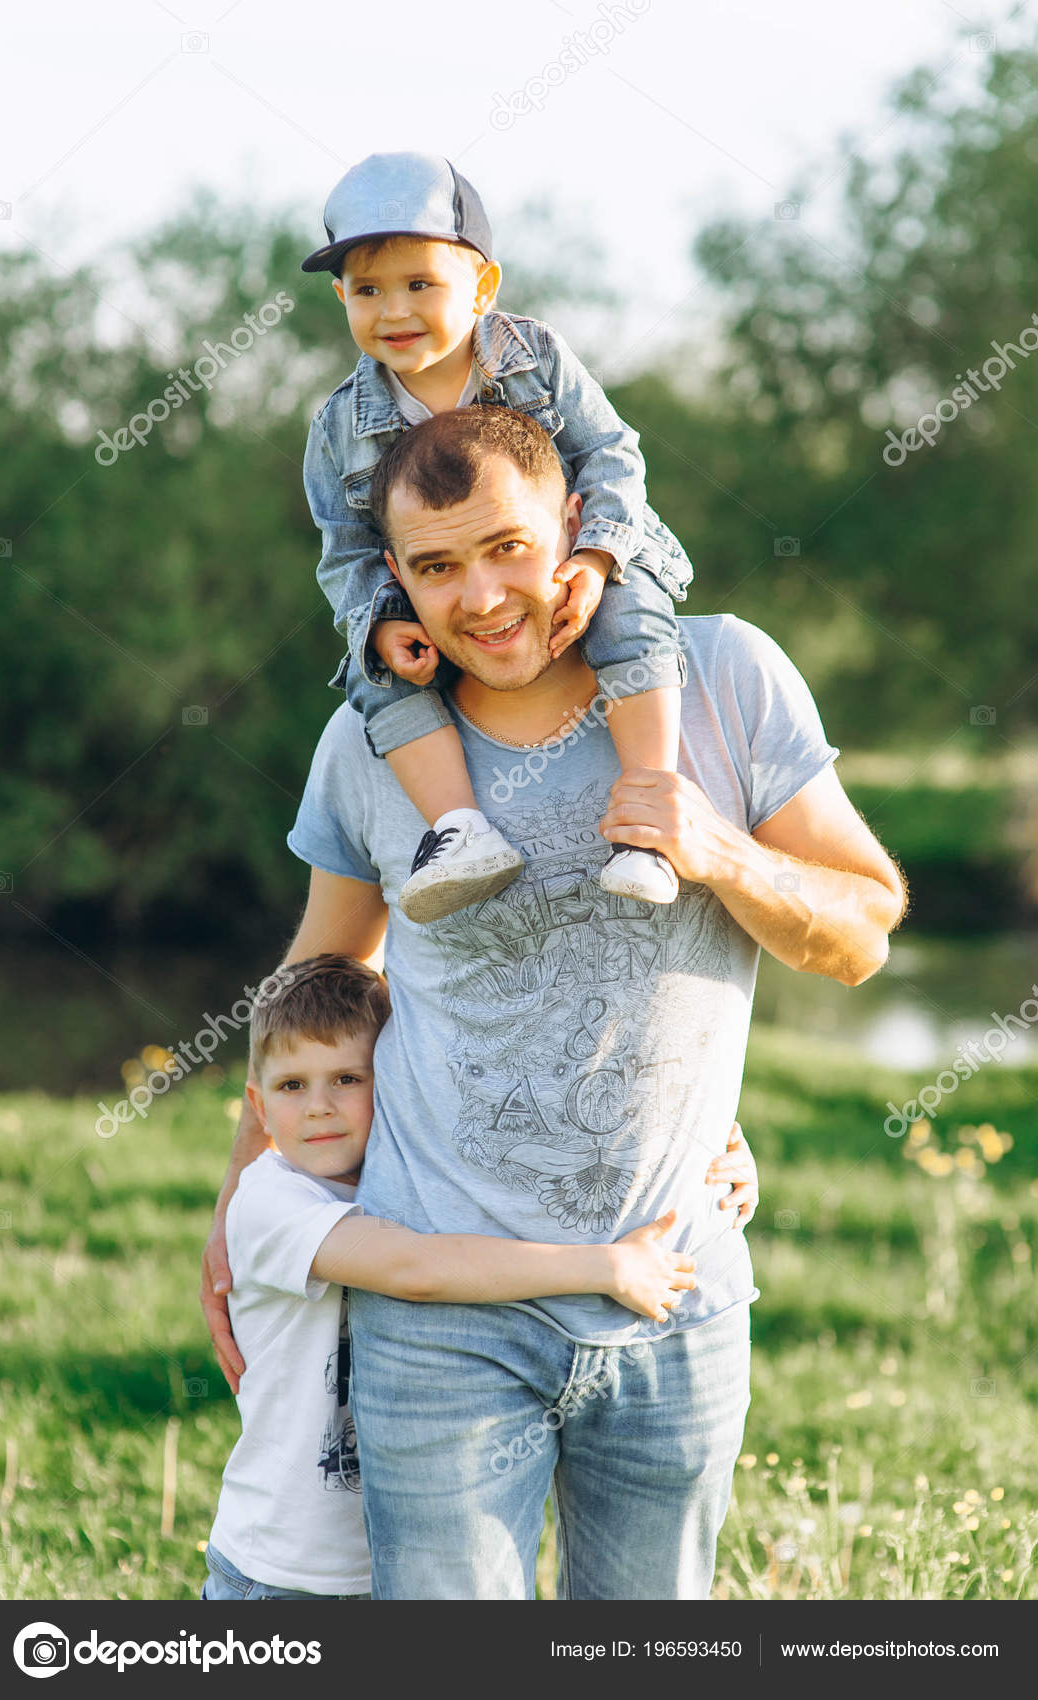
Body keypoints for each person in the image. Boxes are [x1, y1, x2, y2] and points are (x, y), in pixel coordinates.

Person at [201, 407, 905, 1600]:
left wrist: (721, 851)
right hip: (443, 1313)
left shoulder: (722, 674)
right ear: (393, 579)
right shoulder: (370, 738)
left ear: (577, 526)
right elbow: (321, 983)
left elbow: (862, 934)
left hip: (676, 1291)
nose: (479, 597)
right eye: (434, 567)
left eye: (508, 548)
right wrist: (242, 1200)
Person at [202, 951, 757, 1602]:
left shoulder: (401, 1177)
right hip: (286, 1575)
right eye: (291, 1086)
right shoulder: (269, 1203)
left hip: (393, 1566)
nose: (318, 1107)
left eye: (346, 1079)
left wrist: (708, 1159)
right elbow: (417, 1269)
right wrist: (604, 1267)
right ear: (258, 1107)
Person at [302, 150, 693, 921]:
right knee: (369, 679)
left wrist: (595, 554)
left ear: (481, 286)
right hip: (431, 596)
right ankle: (458, 831)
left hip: (586, 551)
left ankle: (648, 823)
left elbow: (611, 453)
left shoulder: (534, 358)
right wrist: (378, 626)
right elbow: (345, 550)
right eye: (367, 291)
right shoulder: (338, 424)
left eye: (420, 284)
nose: (393, 311)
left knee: (630, 615)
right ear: (342, 296)